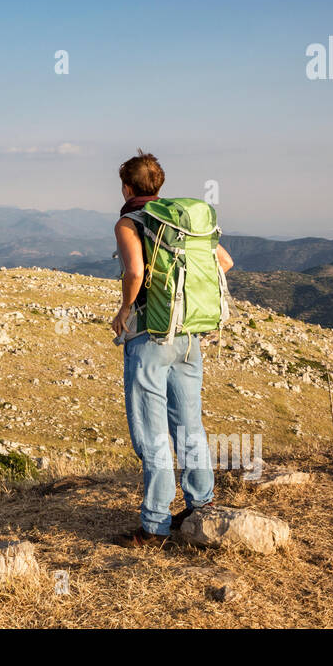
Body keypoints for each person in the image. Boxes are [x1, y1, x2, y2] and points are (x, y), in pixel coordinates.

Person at [110, 150, 233, 547]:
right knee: (189, 426)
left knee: (152, 433)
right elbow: (225, 263)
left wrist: (126, 310)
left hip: (149, 337)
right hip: (188, 335)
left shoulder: (130, 221)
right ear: (158, 186)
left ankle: (155, 526)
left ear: (128, 187)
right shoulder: (180, 222)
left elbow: (133, 272)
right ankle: (203, 504)